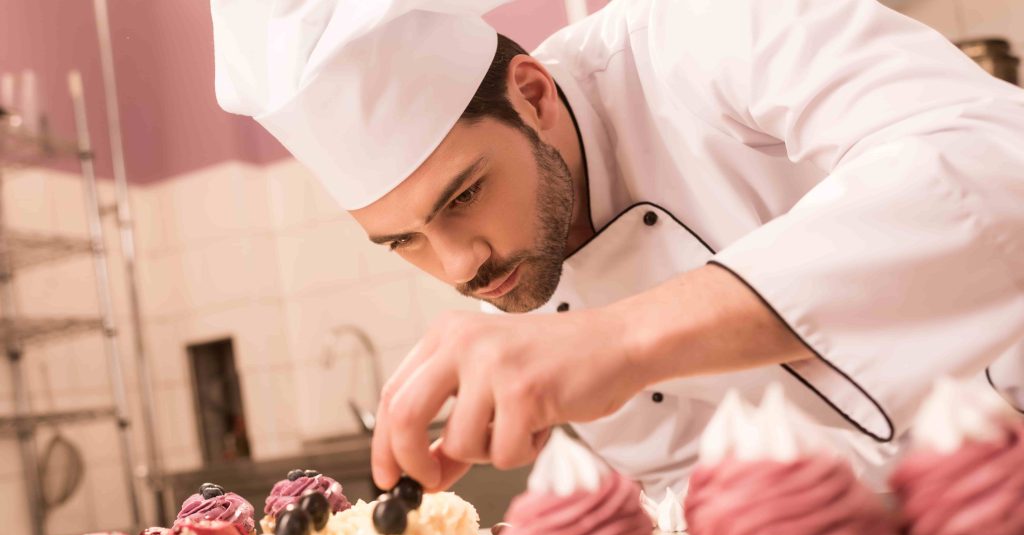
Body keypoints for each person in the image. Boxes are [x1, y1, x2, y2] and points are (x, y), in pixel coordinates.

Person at [210, 0, 1024, 494]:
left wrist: (621, 338)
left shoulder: (699, 33)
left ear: (531, 94)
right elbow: (684, 488)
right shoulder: (519, 270)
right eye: (405, 243)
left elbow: (990, 159)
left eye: (463, 197)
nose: (459, 267)